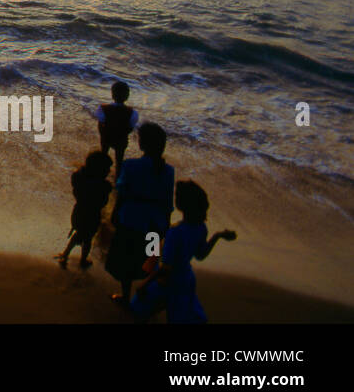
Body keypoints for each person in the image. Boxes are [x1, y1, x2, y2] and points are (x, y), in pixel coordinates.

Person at [130, 180, 236, 323]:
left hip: (168, 282)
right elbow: (200, 255)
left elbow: (166, 268)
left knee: (138, 309)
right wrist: (217, 236)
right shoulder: (201, 228)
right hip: (185, 279)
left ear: (181, 205)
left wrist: (145, 284)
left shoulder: (176, 232)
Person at [105, 122, 175, 307]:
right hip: (155, 224)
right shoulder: (168, 170)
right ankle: (148, 299)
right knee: (150, 261)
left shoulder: (130, 166)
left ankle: (126, 296)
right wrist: (166, 224)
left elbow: (122, 192)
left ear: (142, 144)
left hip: (130, 220)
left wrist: (115, 212)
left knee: (126, 260)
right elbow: (168, 201)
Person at [56, 150, 112, 269]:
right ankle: (78, 259)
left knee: (80, 234)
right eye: (107, 168)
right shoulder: (103, 185)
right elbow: (102, 201)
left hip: (78, 211)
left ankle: (66, 255)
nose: (109, 171)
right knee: (86, 238)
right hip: (91, 214)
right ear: (99, 169)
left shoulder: (79, 177)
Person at [92, 81, 139, 174]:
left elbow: (100, 122)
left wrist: (103, 134)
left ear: (112, 94)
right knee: (119, 160)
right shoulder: (132, 112)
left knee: (103, 154)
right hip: (121, 139)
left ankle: (100, 173)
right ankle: (117, 179)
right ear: (127, 96)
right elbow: (131, 127)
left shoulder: (103, 108)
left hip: (106, 136)